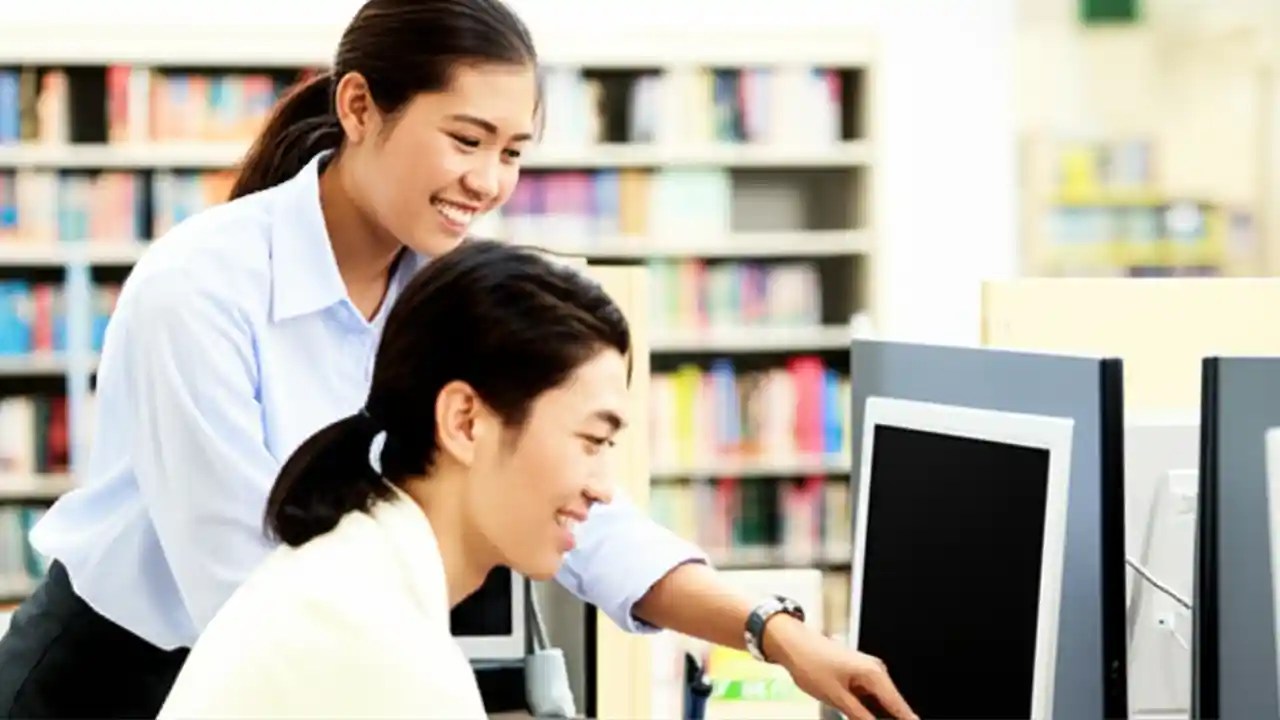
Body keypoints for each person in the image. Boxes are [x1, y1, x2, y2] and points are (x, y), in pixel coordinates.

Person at [0, 1, 916, 719]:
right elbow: (245, 589)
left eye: (513, 151)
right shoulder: (200, 287)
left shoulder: (447, 288)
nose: (488, 181)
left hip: (301, 666)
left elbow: (580, 513)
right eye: (465, 139)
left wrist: (775, 633)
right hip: (111, 676)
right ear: (359, 107)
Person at [158, 239, 631, 718]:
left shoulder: (353, 578)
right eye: (591, 440)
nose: (604, 488)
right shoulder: (383, 645)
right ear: (465, 423)